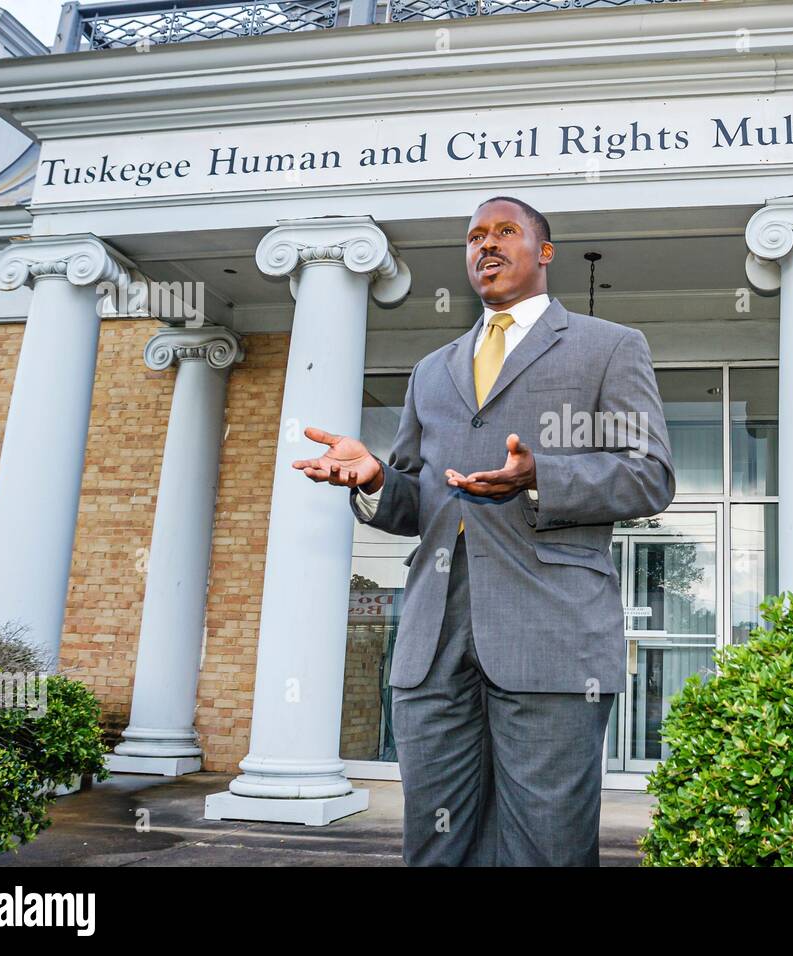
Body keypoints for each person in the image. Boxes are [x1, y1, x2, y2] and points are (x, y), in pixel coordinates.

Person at [291, 196, 675, 866]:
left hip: (551, 633)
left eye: (506, 232)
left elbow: (649, 476)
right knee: (437, 846)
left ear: (544, 252)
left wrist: (540, 475)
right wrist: (378, 479)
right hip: (434, 637)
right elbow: (419, 504)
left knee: (546, 847)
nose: (487, 246)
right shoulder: (432, 370)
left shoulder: (608, 347)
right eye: (474, 236)